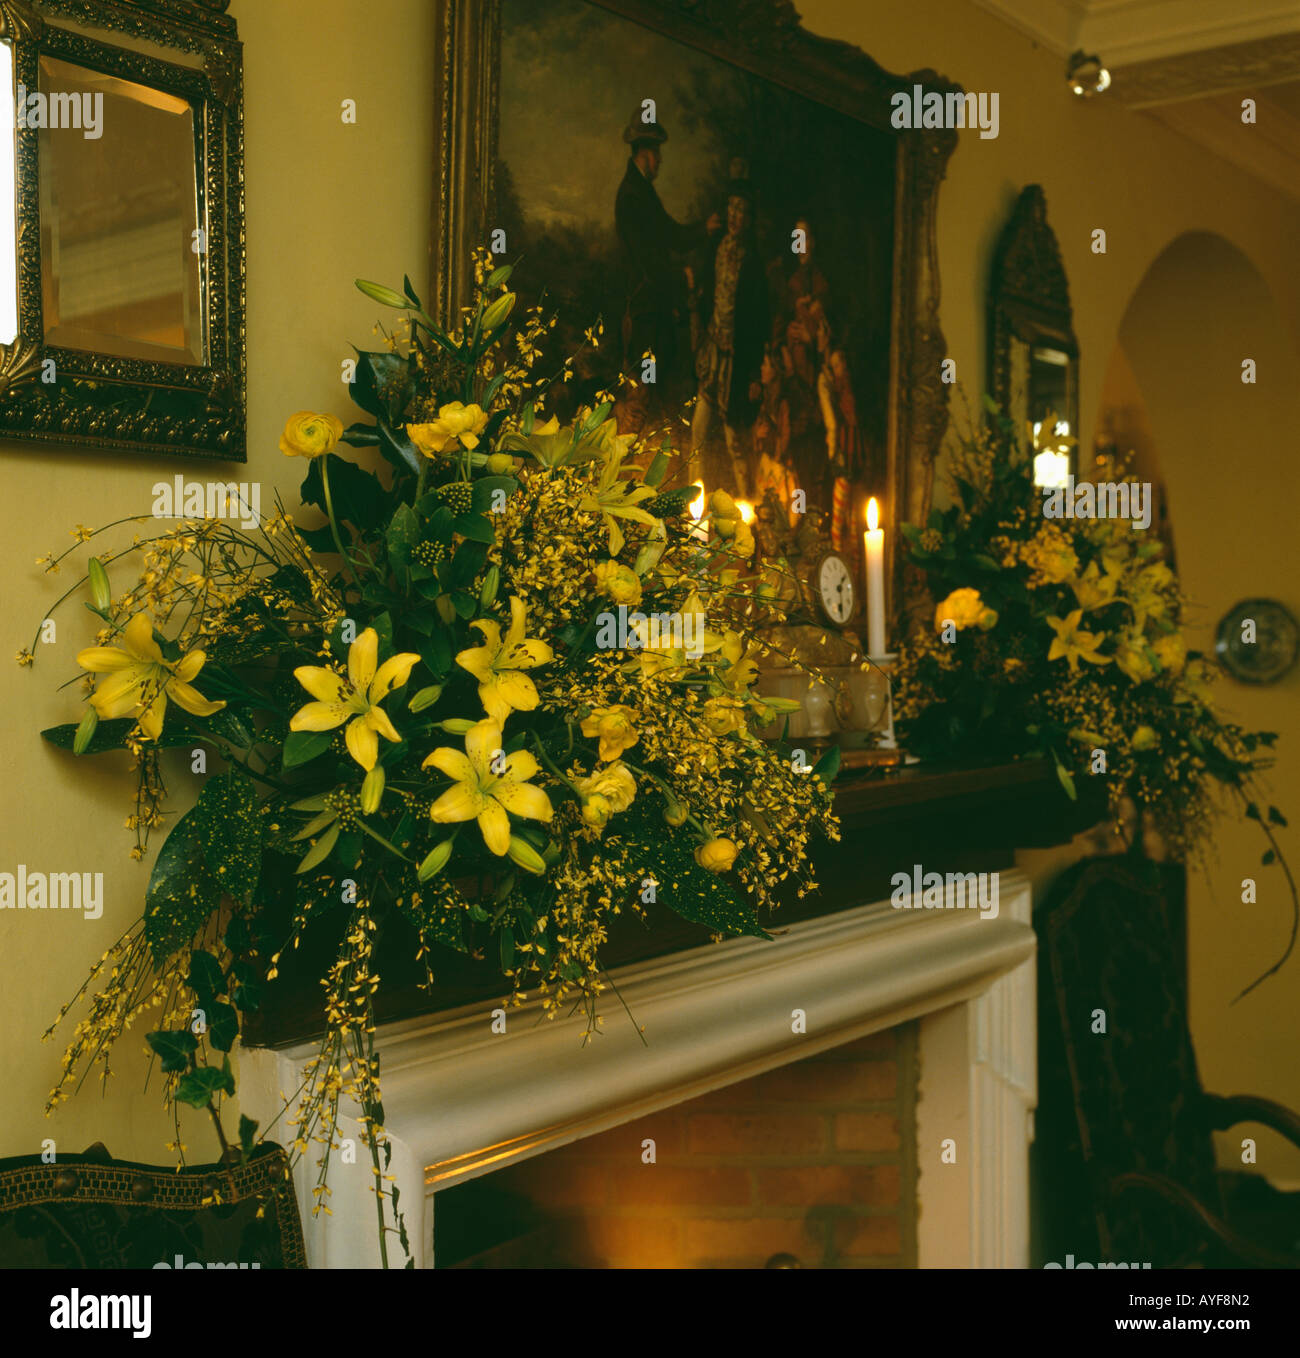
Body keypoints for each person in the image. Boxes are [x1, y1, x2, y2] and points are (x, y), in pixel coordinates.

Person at [614, 111, 718, 431]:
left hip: (654, 307)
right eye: (657, 154)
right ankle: (626, 457)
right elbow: (647, 257)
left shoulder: (643, 191)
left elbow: (669, 234)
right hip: (643, 308)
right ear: (644, 154)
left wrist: (705, 228)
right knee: (640, 391)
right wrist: (679, 278)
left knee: (656, 385)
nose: (660, 161)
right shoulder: (632, 195)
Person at [688, 179, 768, 496]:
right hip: (712, 355)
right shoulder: (715, 249)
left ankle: (751, 506)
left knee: (736, 442)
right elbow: (704, 296)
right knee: (697, 430)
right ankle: (694, 504)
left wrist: (752, 374)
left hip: (737, 363)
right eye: (731, 208)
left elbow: (758, 322)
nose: (735, 216)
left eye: (742, 211)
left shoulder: (753, 263)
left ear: (748, 220)